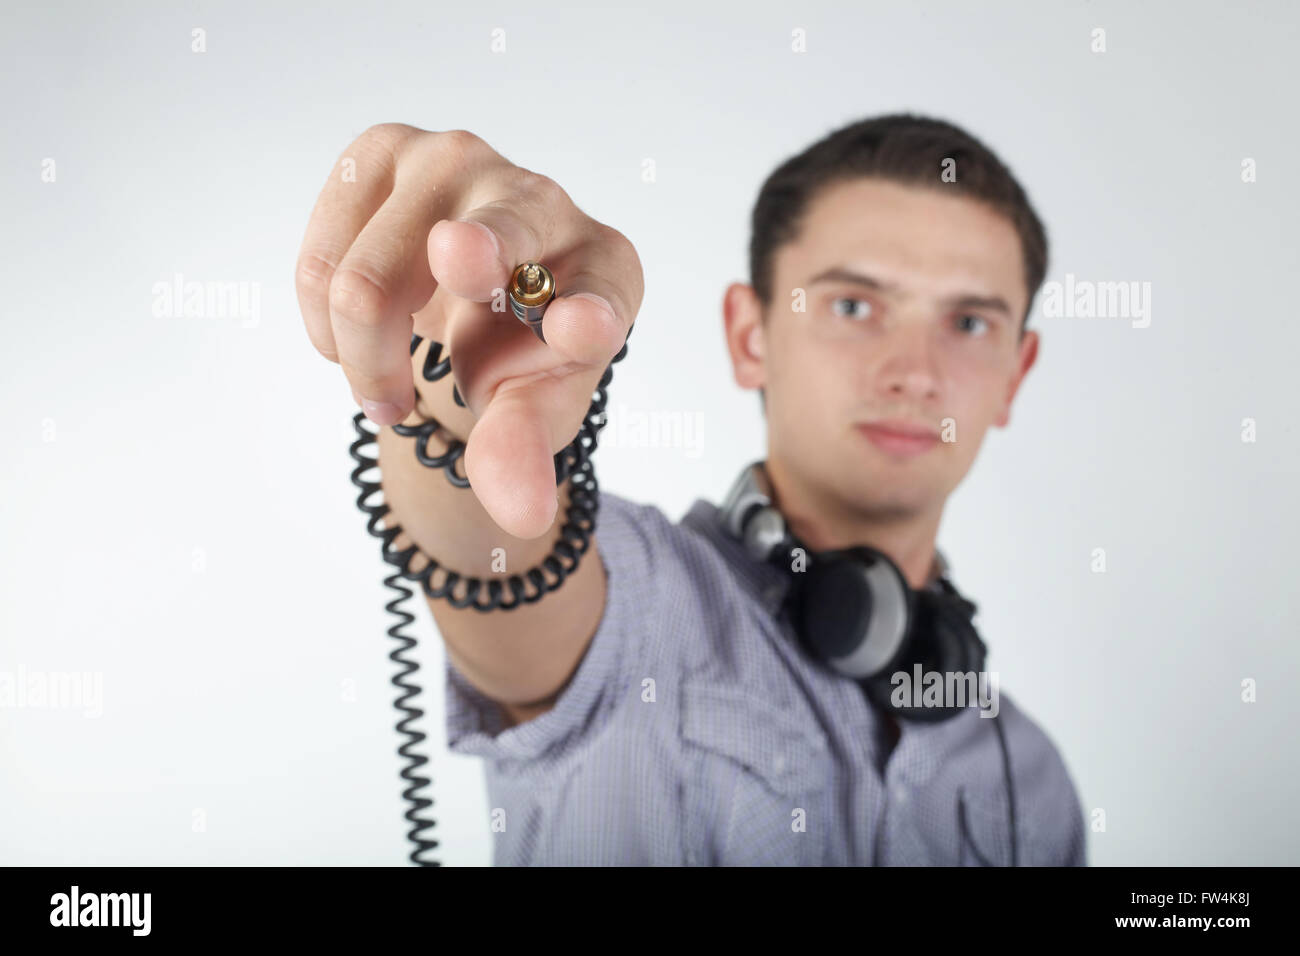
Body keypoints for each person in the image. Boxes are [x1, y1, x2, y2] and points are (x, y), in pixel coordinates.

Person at [294, 113, 1086, 865]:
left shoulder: (1035, 786)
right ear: (750, 336)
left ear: (1017, 374)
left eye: (971, 323)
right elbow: (501, 567)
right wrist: (459, 365)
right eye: (854, 305)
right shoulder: (636, 605)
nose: (915, 372)